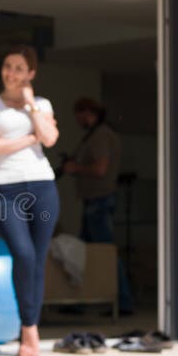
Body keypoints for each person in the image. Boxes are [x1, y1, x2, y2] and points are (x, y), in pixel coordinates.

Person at [0, 46, 60, 356]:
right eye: (6, 65)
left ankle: (30, 330)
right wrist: (30, 139)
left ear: (30, 74)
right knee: (24, 255)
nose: (10, 73)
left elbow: (50, 138)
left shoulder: (40, 104)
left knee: (38, 261)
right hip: (7, 189)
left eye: (18, 68)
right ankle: (28, 327)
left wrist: (30, 105)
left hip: (43, 186)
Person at [61, 97, 133, 314]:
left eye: (79, 115)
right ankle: (80, 301)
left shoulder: (101, 135)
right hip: (93, 201)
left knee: (105, 253)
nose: (77, 120)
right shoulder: (95, 135)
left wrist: (75, 168)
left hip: (100, 202)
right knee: (83, 255)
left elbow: (100, 169)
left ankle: (124, 301)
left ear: (88, 113)